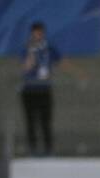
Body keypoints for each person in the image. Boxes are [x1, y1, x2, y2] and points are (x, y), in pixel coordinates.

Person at [20, 22, 61, 156]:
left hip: (44, 89)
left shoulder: (49, 48)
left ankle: (48, 149)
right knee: (30, 121)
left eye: (40, 32)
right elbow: (25, 68)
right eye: (36, 33)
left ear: (43, 33)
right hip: (30, 89)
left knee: (46, 121)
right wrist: (32, 54)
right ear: (32, 34)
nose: (38, 35)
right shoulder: (27, 48)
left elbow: (59, 61)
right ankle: (33, 149)